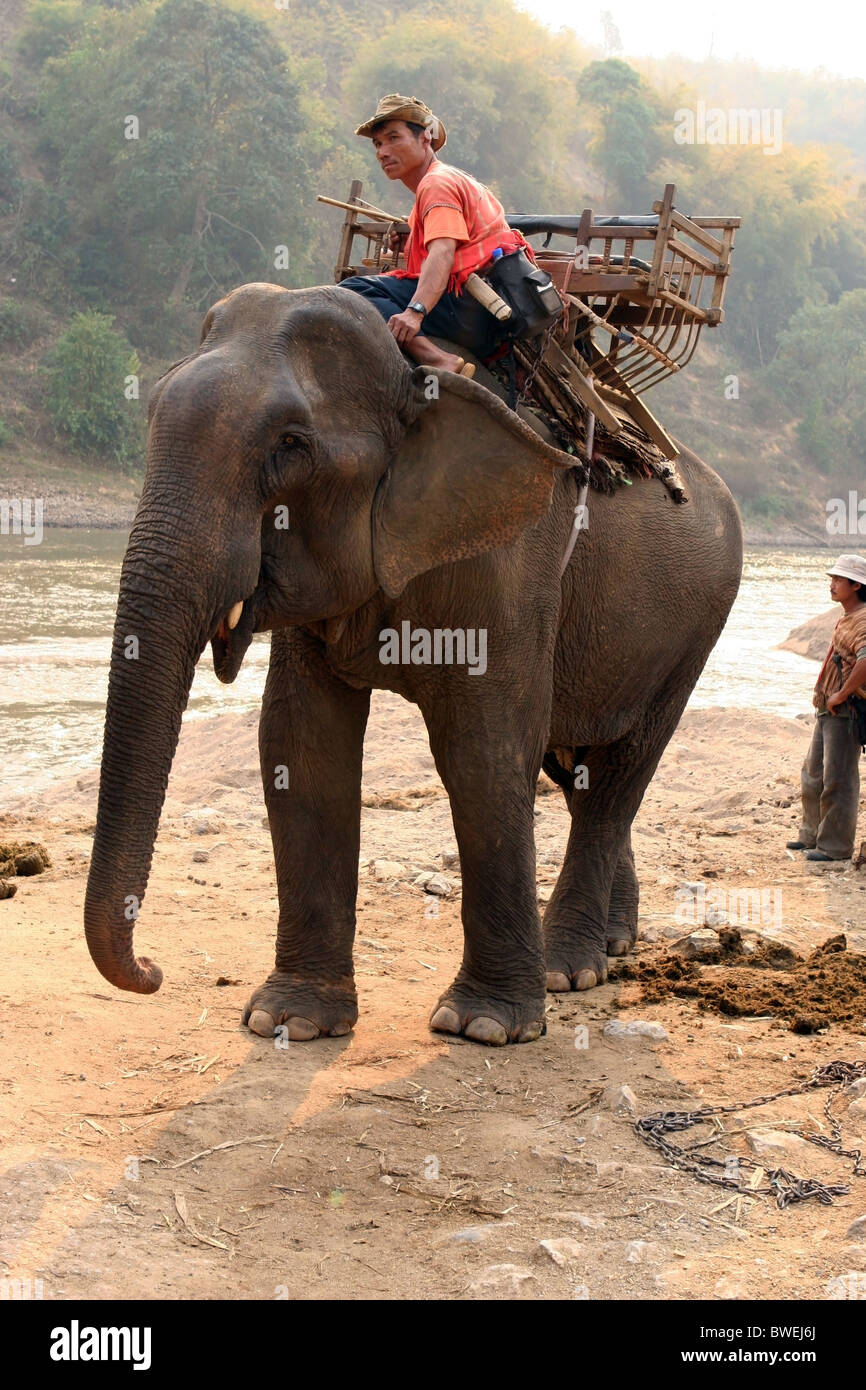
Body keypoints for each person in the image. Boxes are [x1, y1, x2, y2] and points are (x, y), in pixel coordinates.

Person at [338, 92, 535, 377]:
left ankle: (435, 358)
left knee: (355, 289)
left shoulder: (436, 185)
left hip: (471, 310)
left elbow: (442, 253)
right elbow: (453, 247)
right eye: (378, 144)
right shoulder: (448, 181)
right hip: (481, 312)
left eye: (394, 138)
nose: (383, 151)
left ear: (425, 138)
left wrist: (415, 312)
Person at [788, 553, 866, 861]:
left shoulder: (862, 620)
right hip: (829, 707)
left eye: (838, 580)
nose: (832, 585)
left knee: (838, 778)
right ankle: (811, 835)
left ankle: (834, 847)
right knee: (812, 773)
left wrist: (842, 694)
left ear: (856, 585)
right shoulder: (849, 615)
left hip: (844, 709)